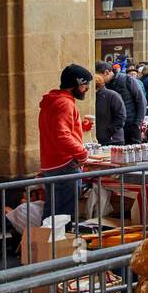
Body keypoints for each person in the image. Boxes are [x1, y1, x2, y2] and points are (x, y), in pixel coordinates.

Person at [39, 64, 93, 224]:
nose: (86, 89)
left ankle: (45, 245)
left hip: (51, 163)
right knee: (64, 215)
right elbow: (61, 135)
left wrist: (81, 127)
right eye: (85, 85)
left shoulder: (53, 101)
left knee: (52, 212)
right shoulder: (65, 103)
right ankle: (58, 246)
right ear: (76, 84)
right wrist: (82, 154)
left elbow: (55, 129)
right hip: (64, 164)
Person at [102, 61, 146, 144]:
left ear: (106, 73)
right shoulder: (104, 84)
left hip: (130, 125)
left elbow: (141, 101)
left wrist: (137, 124)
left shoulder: (127, 79)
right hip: (114, 128)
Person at [92, 64, 126, 146]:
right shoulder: (92, 98)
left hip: (113, 140)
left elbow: (121, 116)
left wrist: (109, 131)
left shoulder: (112, 95)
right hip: (99, 139)